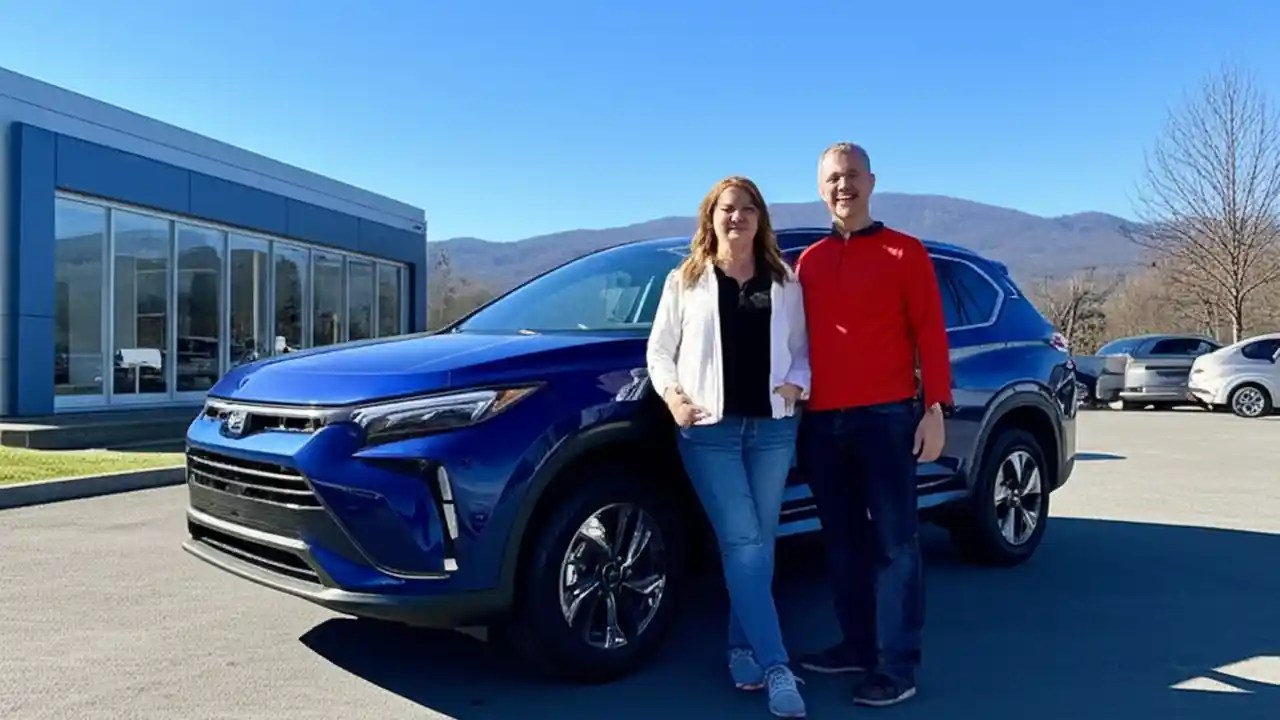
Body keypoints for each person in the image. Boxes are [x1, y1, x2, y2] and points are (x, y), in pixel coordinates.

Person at [793, 142, 953, 708]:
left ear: (872, 181)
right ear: (821, 188)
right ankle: (857, 645)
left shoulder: (904, 253)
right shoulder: (807, 262)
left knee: (895, 545)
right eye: (834, 178)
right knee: (840, 543)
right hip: (822, 423)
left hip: (886, 418)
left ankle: (896, 664)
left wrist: (935, 408)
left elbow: (930, 333)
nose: (844, 186)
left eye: (853, 176)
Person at [646, 175, 811, 718]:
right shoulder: (686, 279)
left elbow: (801, 349)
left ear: (761, 218)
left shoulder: (784, 280)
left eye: (747, 209)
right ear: (710, 218)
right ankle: (777, 664)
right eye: (726, 209)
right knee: (743, 542)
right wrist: (672, 397)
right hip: (708, 430)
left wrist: (796, 383)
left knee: (760, 541)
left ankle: (741, 646)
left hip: (773, 428)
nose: (736, 217)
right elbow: (660, 351)